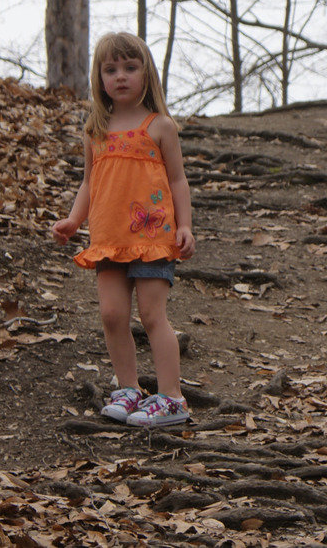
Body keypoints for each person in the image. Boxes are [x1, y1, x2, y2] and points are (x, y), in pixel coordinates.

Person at [52, 32, 196, 427]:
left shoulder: (160, 126)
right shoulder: (95, 130)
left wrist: (184, 225)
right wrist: (73, 220)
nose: (120, 77)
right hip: (109, 239)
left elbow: (179, 181)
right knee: (113, 315)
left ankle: (172, 398)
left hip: (153, 238)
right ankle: (129, 388)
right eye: (110, 69)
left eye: (130, 68)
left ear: (146, 75)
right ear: (99, 79)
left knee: (152, 316)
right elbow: (88, 183)